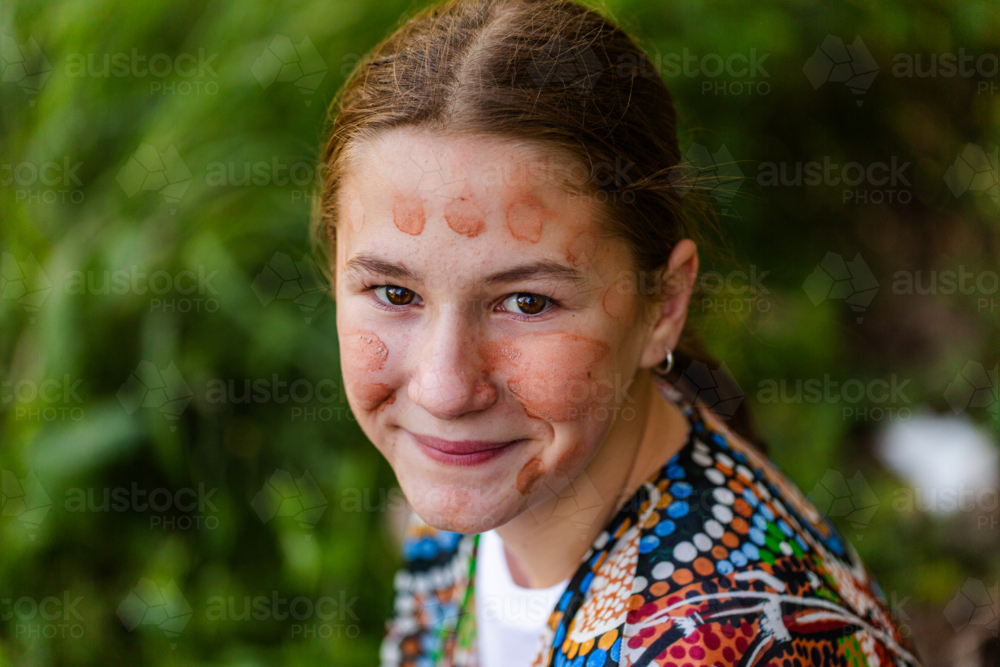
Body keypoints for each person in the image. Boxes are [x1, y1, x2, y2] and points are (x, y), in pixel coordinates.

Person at [312, 0, 923, 664]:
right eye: (395, 293)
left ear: (661, 306)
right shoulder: (483, 478)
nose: (444, 388)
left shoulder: (717, 642)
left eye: (526, 301)